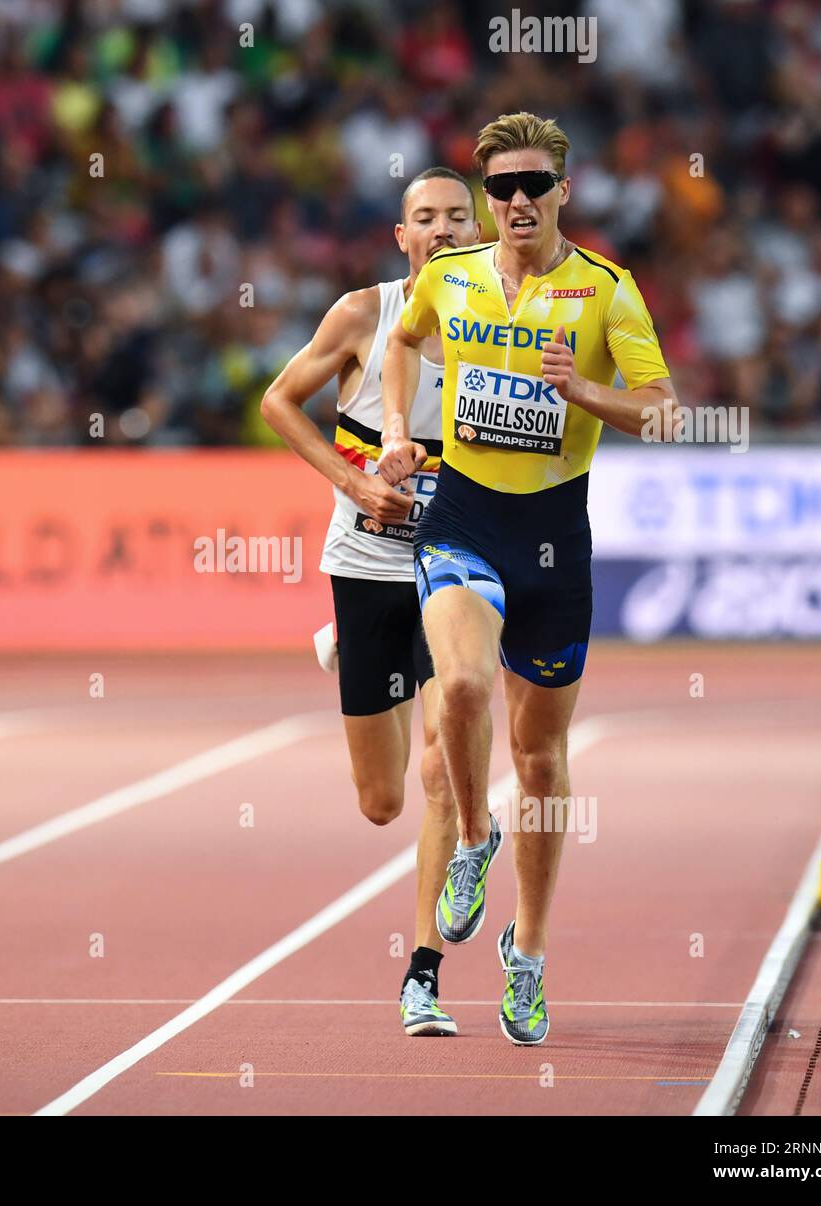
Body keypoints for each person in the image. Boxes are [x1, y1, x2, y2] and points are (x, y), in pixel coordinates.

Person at [380, 114, 681, 1045]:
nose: (516, 203)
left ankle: (530, 956)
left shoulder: (606, 292)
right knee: (463, 687)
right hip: (466, 519)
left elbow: (666, 415)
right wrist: (395, 430)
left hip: (555, 541)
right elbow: (402, 341)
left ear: (563, 191)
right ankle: (474, 837)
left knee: (543, 760)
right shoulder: (448, 278)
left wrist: (580, 390)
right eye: (500, 189)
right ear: (485, 199)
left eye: (533, 187)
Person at [261, 167, 480, 1035]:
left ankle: (422, 972)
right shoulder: (364, 313)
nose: (442, 230)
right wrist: (353, 484)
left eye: (458, 217)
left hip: (455, 568)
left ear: (482, 230)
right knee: (383, 799)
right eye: (424, 218)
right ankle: (352, 653)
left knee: (441, 767)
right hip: (365, 562)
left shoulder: (507, 324)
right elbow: (278, 403)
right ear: (403, 237)